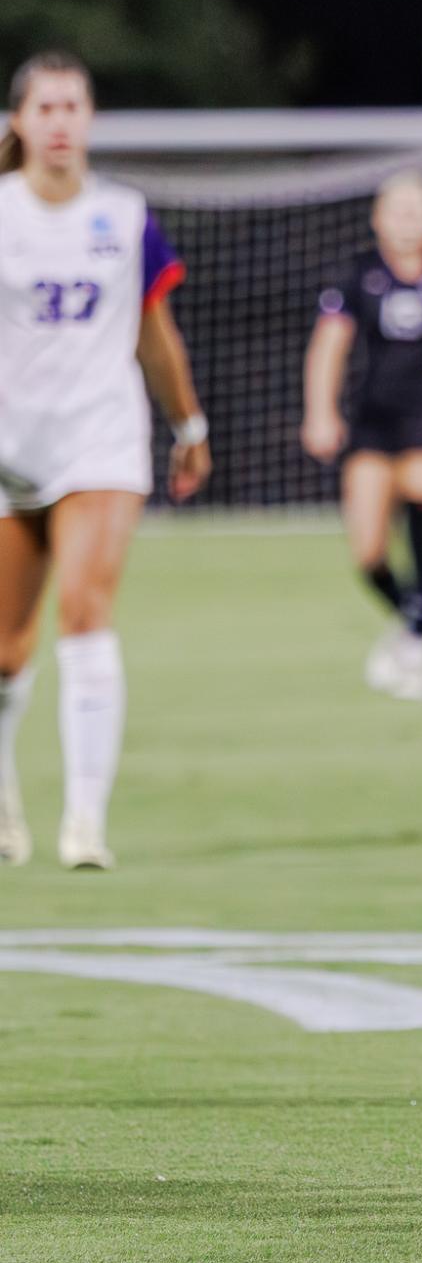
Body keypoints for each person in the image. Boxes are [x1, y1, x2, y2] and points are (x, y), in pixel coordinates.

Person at [0, 51, 211, 871]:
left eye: (72, 106)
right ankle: (7, 806)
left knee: (84, 610)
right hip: (13, 447)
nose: (59, 121)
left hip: (100, 438)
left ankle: (84, 824)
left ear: (89, 121)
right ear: (18, 121)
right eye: (44, 107)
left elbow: (152, 330)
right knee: (8, 652)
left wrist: (187, 422)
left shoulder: (124, 217)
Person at [301, 171, 422, 701]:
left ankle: (416, 651)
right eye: (399, 211)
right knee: (368, 552)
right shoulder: (357, 276)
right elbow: (329, 347)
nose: (409, 221)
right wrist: (320, 413)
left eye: (419, 211)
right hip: (373, 420)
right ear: (378, 219)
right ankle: (411, 625)